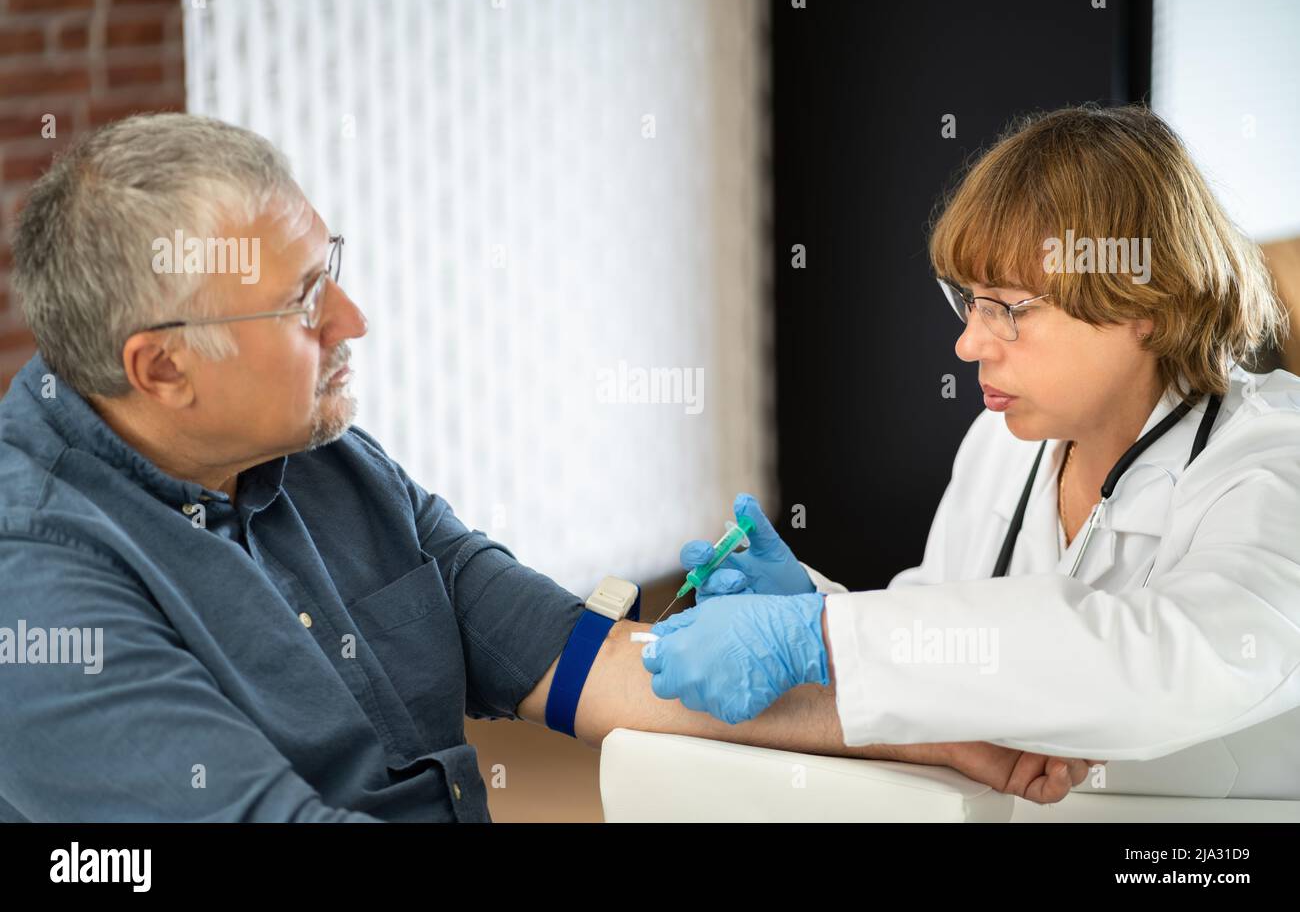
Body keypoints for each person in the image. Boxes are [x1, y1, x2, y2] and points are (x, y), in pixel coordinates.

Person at [0, 113, 1090, 821]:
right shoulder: (39, 585)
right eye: (300, 306)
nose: (354, 319)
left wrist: (918, 716)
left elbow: (582, 662)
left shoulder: (318, 455)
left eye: (327, 269)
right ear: (163, 367)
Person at [646, 104, 1300, 800]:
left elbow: (1169, 664)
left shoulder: (1271, 462)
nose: (968, 344)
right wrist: (814, 608)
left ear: (1145, 304)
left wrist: (823, 636)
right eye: (968, 301)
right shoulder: (1006, 444)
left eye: (1008, 309)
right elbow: (943, 630)